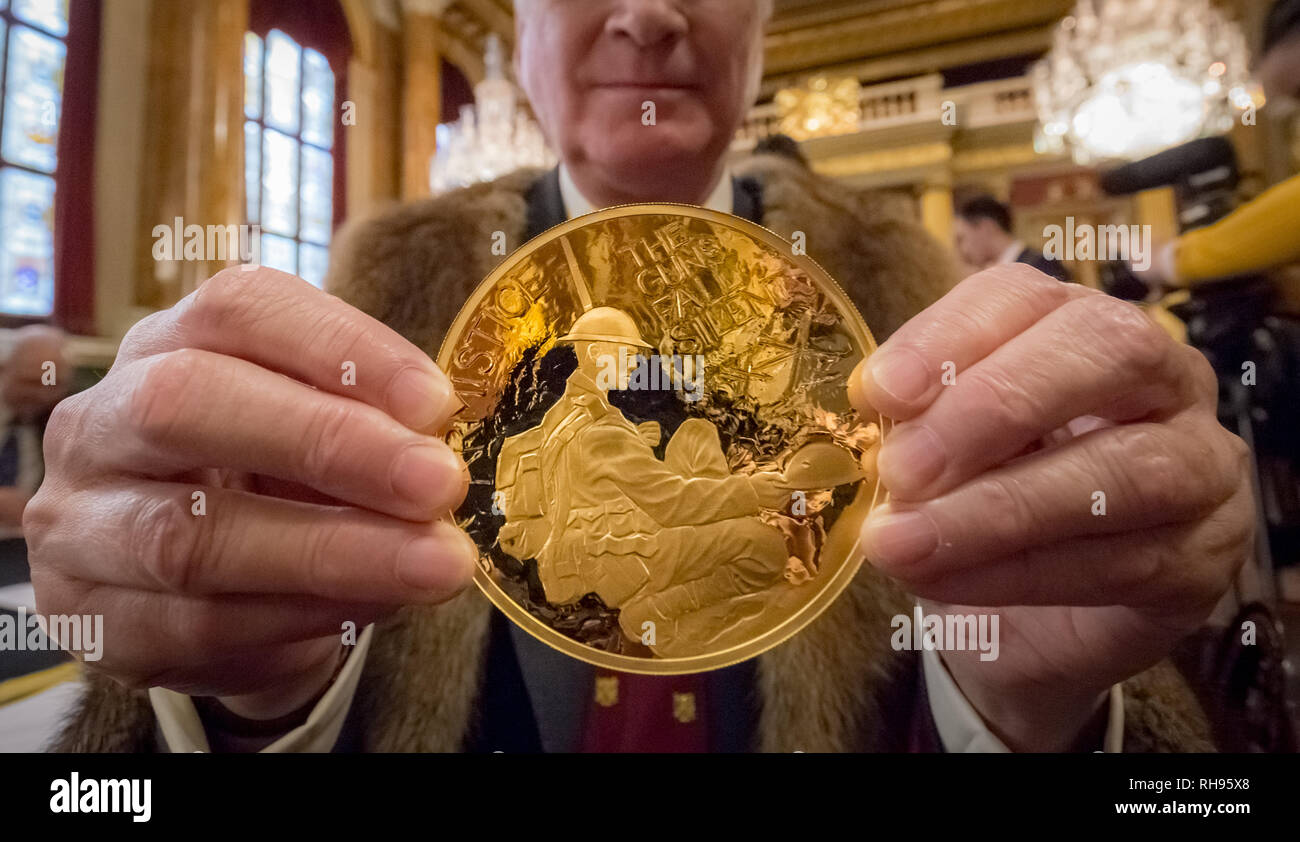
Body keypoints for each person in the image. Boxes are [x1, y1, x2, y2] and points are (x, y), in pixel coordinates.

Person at [36, 0, 1250, 753]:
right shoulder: (384, 290)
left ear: (764, 34)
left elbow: (1010, 664)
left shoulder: (909, 296)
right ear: (517, 40)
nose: (651, 12)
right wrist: (243, 697)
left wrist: (1029, 712)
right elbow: (264, 667)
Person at [953, 194, 1072, 282]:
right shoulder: (992, 273)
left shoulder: (1042, 265)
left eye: (963, 238)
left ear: (986, 227)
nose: (964, 250)